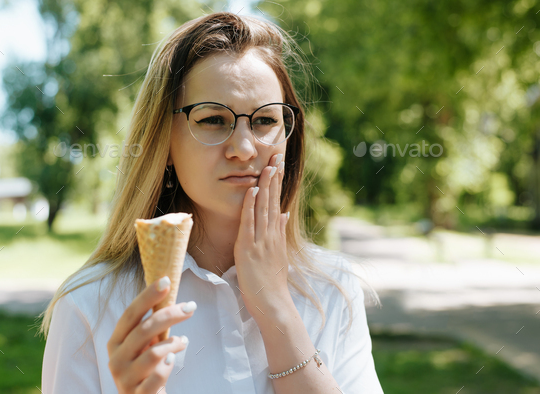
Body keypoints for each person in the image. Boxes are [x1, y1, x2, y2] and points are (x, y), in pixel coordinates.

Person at [39, 11, 384, 394]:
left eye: (265, 120)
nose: (244, 148)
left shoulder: (334, 288)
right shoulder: (90, 305)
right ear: (163, 142)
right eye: (213, 120)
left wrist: (277, 310)